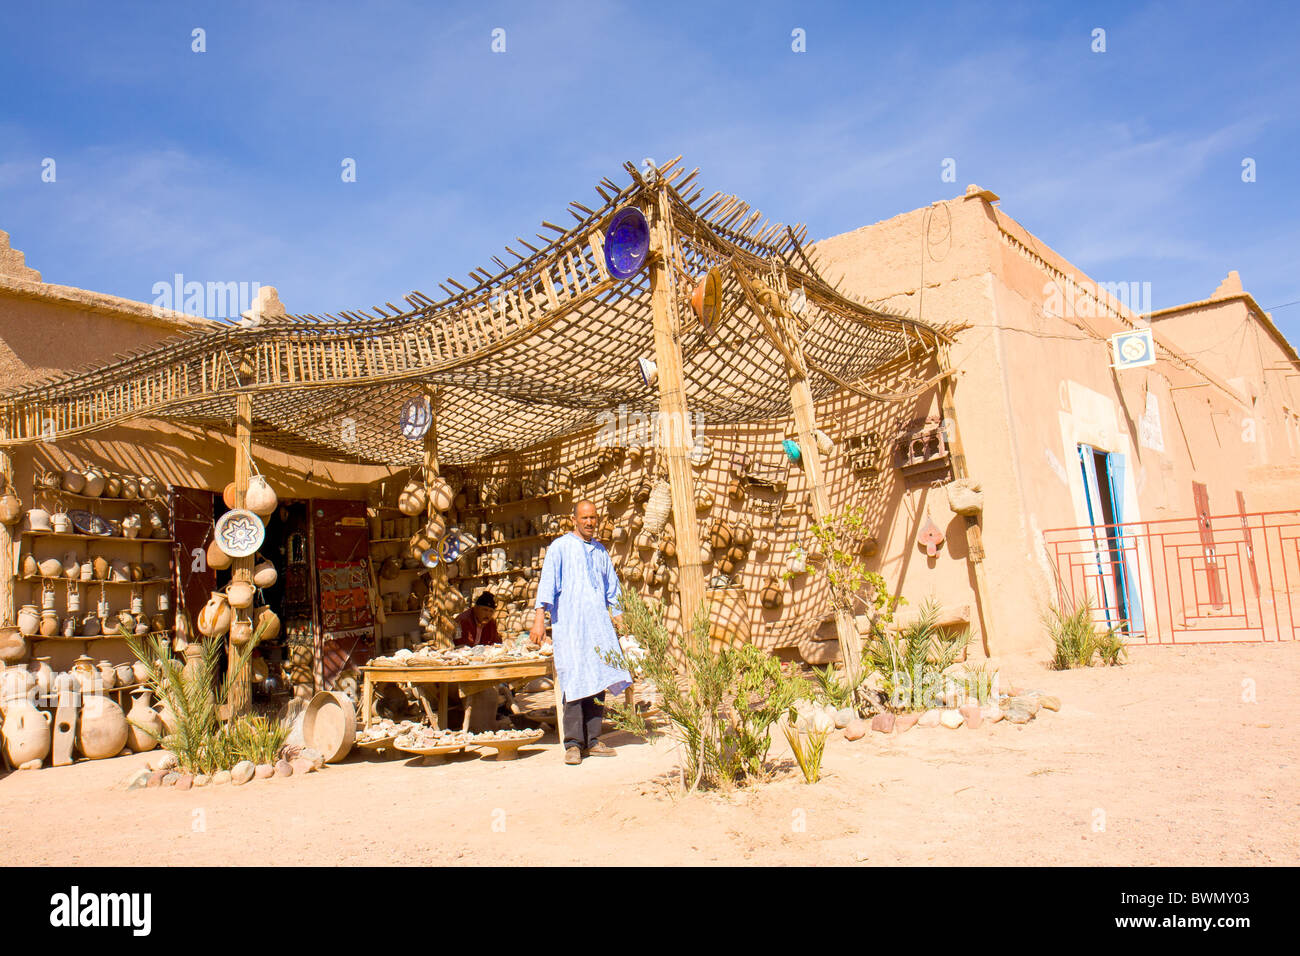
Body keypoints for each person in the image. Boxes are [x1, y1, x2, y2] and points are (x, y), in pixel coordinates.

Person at [531, 499, 631, 765]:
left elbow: (613, 589)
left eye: (593, 518)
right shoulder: (560, 548)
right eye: (585, 518)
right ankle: (574, 744)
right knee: (574, 680)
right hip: (572, 627)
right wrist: (540, 617)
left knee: (597, 678)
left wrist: (621, 622)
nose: (589, 522)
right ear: (574, 519)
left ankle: (594, 740)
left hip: (598, 628)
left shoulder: (600, 552)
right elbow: (548, 583)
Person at [455, 591, 502, 731]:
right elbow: (459, 644)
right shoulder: (463, 620)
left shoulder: (491, 623)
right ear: (476, 608)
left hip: (482, 663)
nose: (487, 614)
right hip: (465, 663)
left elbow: (495, 642)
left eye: (490, 611)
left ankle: (494, 716)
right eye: (484, 610)